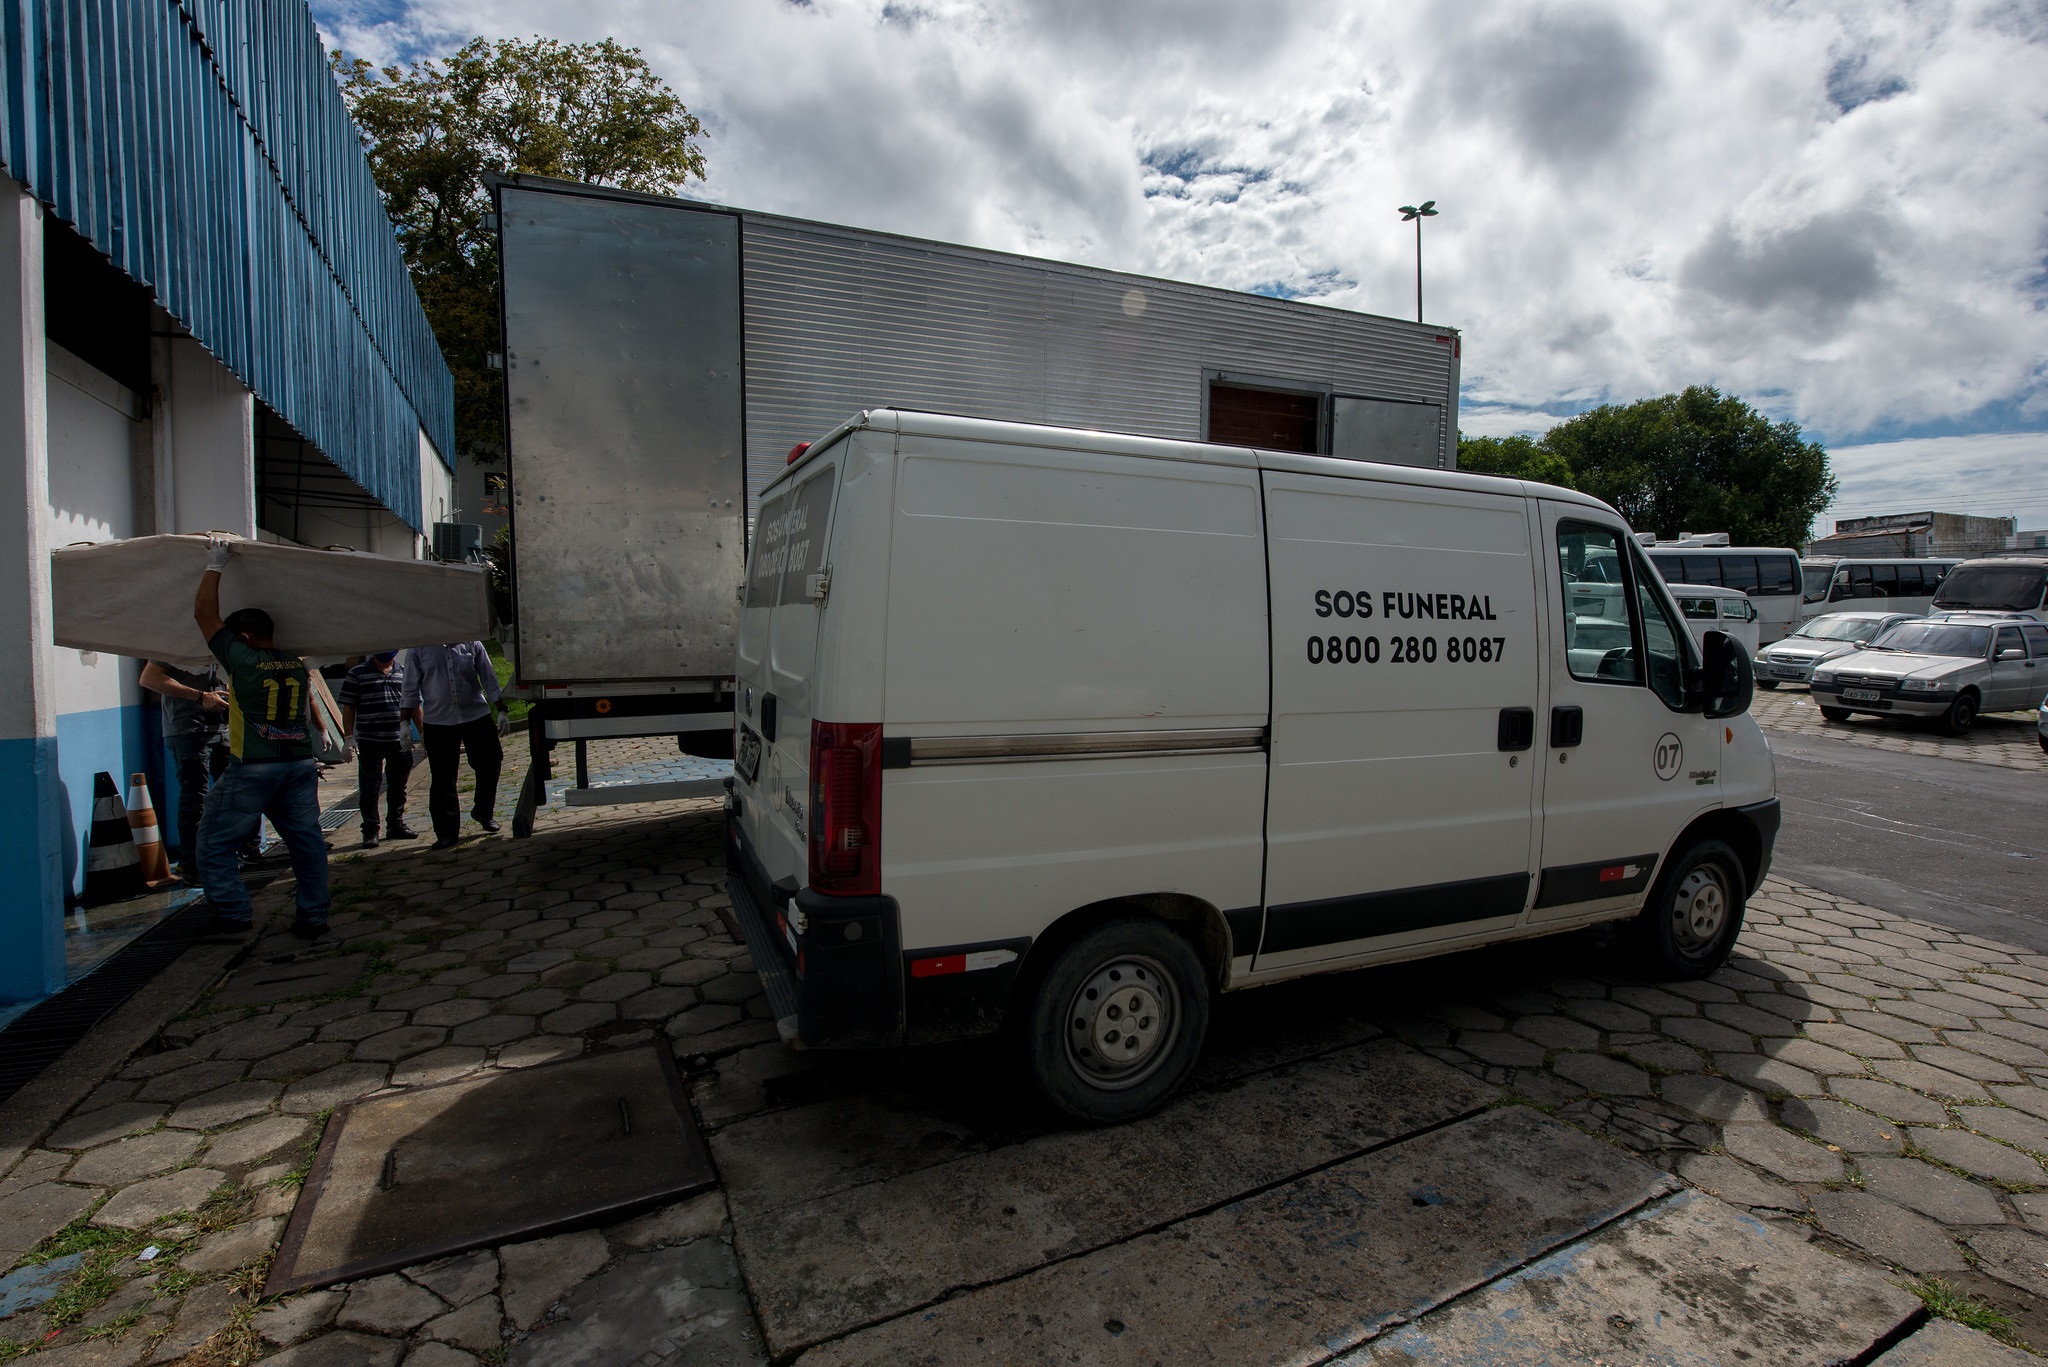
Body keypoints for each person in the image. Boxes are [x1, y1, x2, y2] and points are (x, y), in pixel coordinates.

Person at [192, 536, 333, 938]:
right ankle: (313, 917)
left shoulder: (244, 659)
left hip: (253, 767)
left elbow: (203, 614)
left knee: (214, 844)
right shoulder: (296, 663)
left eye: (234, 637)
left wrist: (215, 565)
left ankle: (234, 915)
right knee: (306, 843)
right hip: (300, 765)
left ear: (246, 637)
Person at [402, 640, 506, 850]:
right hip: (439, 720)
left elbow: (488, 676)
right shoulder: (418, 648)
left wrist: (502, 708)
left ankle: (483, 811)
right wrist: (404, 721)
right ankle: (447, 832)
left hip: (475, 713)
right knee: (443, 778)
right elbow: (410, 686)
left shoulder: (472, 643)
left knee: (491, 762)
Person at [138, 659, 230, 881]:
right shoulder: (174, 643)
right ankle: (192, 865)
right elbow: (148, 678)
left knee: (230, 795)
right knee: (196, 798)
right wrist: (201, 696)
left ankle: (225, 857)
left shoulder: (218, 644)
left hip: (222, 726)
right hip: (187, 729)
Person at [337, 651, 419, 848]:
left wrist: (422, 733)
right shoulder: (357, 674)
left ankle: (395, 824)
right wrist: (348, 738)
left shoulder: (404, 673)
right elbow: (349, 707)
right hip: (370, 739)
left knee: (398, 786)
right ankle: (370, 829)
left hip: (399, 740)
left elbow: (414, 703)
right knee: (369, 788)